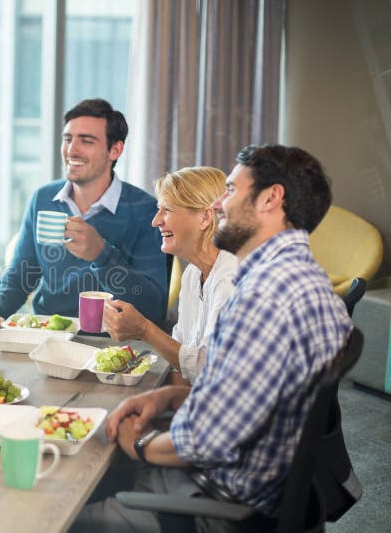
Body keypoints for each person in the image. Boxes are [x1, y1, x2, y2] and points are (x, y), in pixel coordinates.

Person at [72, 144, 353, 532]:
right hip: (242, 482)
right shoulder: (297, 278)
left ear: (271, 198)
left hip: (218, 501)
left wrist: (136, 446)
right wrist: (169, 396)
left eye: (232, 190)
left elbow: (204, 441)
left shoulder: (262, 296)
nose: (219, 204)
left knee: (64, 509)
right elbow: (247, 396)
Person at [0, 98, 167, 335]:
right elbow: (19, 278)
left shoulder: (146, 210)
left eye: (86, 141)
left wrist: (101, 254)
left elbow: (153, 307)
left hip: (109, 342)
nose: (72, 150)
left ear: (115, 150)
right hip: (46, 334)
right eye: (68, 139)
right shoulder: (43, 199)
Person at [103, 167, 237, 384]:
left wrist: (144, 329)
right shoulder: (193, 274)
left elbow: (208, 368)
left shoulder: (231, 278)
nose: (156, 221)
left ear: (205, 217)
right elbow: (181, 362)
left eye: (167, 210)